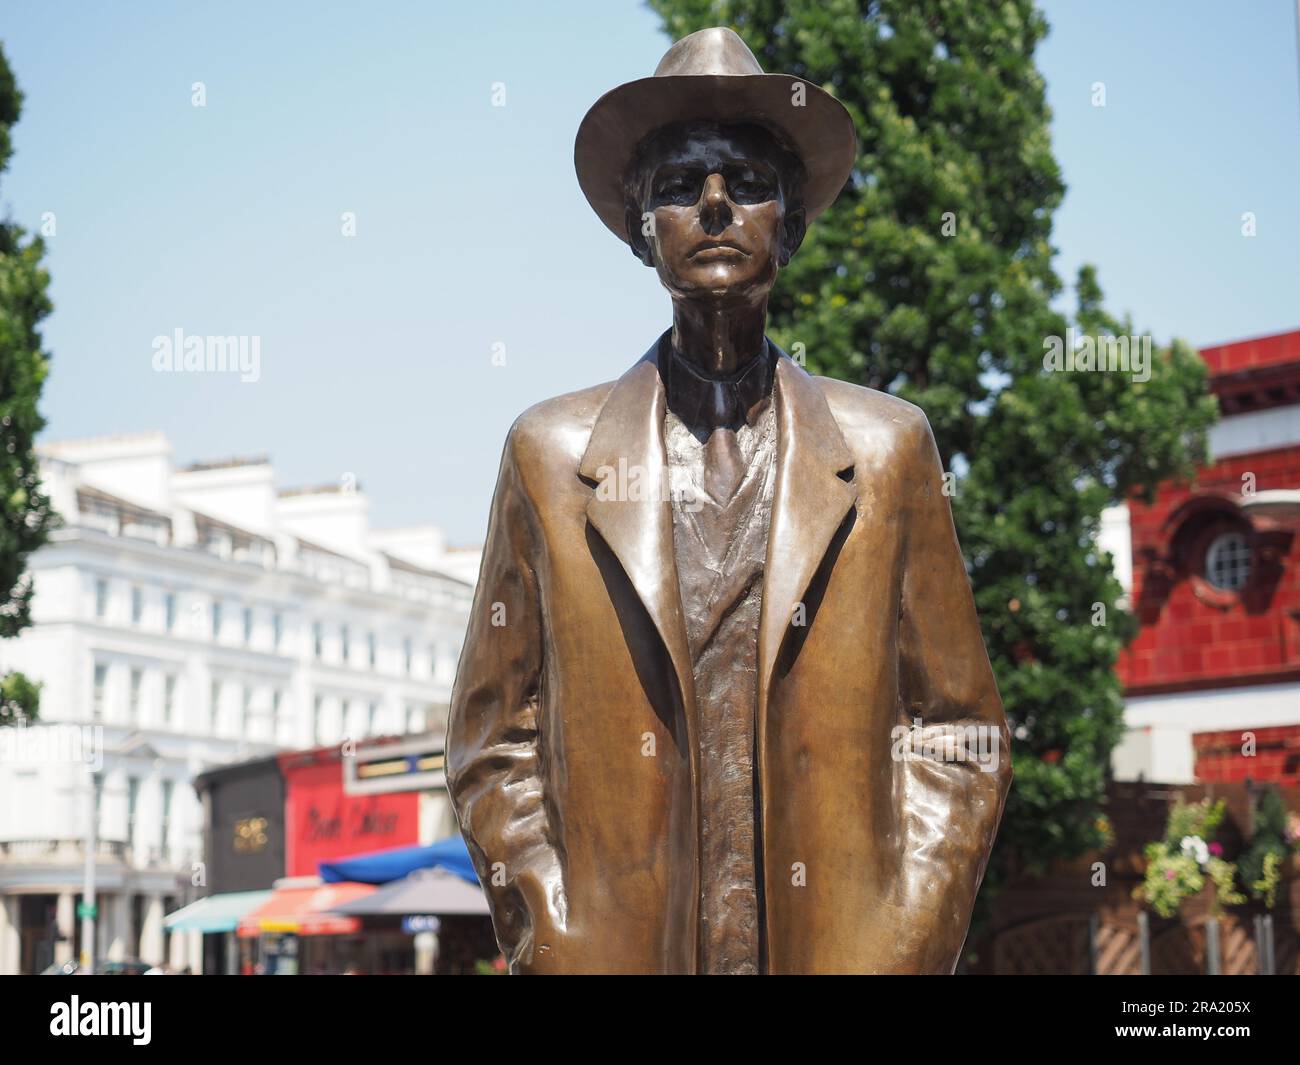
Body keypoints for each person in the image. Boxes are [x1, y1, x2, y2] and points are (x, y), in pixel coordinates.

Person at [446, 26, 1011, 975]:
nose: (713, 205)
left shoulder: (887, 449)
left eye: (746, 181)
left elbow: (959, 731)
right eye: (678, 186)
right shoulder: (549, 455)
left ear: (789, 222)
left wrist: (900, 941)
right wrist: (557, 932)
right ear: (640, 230)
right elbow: (491, 737)